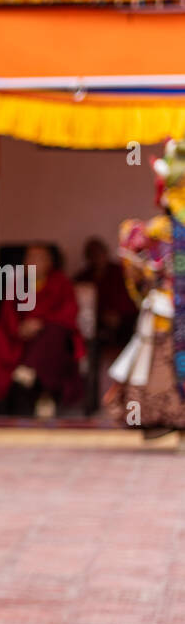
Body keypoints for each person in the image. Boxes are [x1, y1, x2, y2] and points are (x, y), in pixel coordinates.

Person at [106, 139, 185, 439]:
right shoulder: (154, 231)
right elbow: (131, 252)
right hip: (167, 310)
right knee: (161, 371)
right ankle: (167, 423)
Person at [0, 242, 84, 416]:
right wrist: (19, 329)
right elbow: (8, 313)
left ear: (49, 263)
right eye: (29, 258)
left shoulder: (61, 283)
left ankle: (32, 377)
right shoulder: (18, 283)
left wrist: (40, 322)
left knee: (53, 334)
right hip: (20, 334)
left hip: (47, 331)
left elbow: (69, 312)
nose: (33, 262)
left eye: (39, 258)